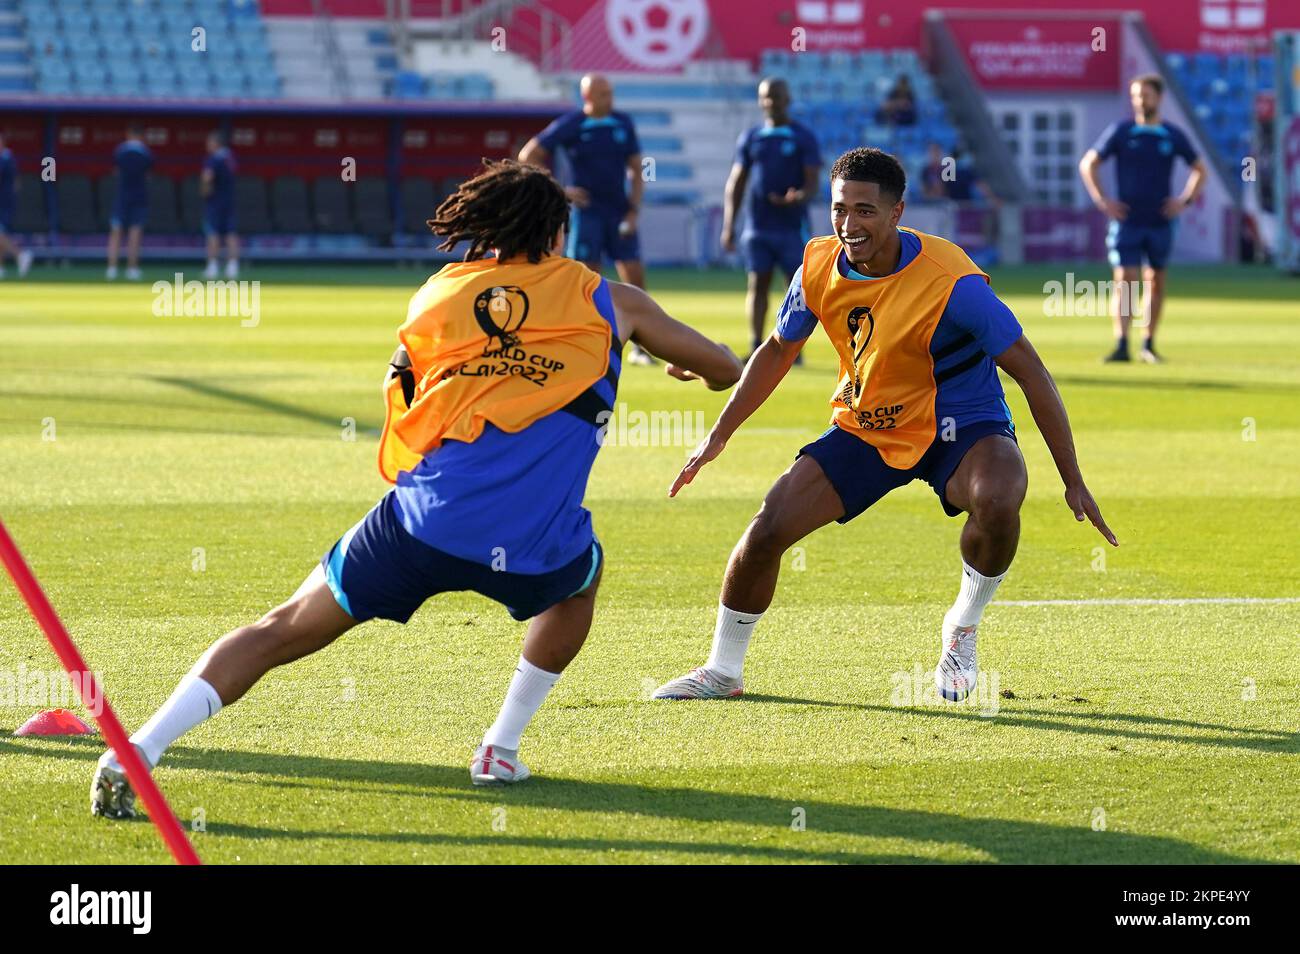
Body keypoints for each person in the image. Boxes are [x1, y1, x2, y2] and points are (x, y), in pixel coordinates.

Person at [90, 159, 741, 816]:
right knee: (582, 581)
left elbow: (408, 384)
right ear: (556, 234)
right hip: (533, 539)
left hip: (423, 520)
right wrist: (685, 364)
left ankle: (139, 748)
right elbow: (726, 368)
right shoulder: (611, 300)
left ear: (487, 228)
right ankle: (500, 748)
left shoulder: (439, 295)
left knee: (280, 628)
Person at [653, 148, 1116, 705]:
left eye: (866, 211)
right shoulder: (817, 267)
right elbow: (779, 348)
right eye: (840, 209)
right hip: (872, 423)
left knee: (999, 497)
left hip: (962, 422)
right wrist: (719, 434)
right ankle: (723, 672)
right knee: (767, 530)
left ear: (898, 211)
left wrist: (1072, 478)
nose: (850, 226)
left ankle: (963, 628)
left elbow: (1031, 372)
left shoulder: (954, 281)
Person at [518, 73, 655, 365]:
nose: (609, 98)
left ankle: (640, 349)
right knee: (583, 279)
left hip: (619, 210)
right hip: (587, 213)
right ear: (587, 97)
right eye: (603, 93)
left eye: (610, 92)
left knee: (634, 276)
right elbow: (528, 154)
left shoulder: (623, 123)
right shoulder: (572, 124)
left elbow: (636, 168)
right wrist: (559, 190)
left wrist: (634, 209)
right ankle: (577, 338)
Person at [1079, 73, 1206, 363]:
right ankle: (1122, 343)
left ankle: (1148, 344)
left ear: (1158, 98)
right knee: (1125, 279)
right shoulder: (1122, 132)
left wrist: (1184, 200)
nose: (1139, 100)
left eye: (1145, 95)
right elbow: (1088, 164)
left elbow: (1200, 169)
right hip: (1127, 220)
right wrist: (1102, 200)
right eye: (1135, 95)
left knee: (1156, 280)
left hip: (1160, 220)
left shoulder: (1171, 135)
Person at [722, 77, 821, 358]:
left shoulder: (802, 136)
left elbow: (812, 183)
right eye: (765, 96)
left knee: (798, 288)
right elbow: (736, 182)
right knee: (757, 284)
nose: (770, 102)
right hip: (758, 226)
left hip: (792, 226)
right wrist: (729, 225)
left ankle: (793, 347)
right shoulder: (751, 136)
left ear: (787, 99)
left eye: (776, 96)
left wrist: (798, 196)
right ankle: (756, 345)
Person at [106, 124, 153, 281]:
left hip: (122, 197)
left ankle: (112, 269)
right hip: (139, 197)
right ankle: (132, 269)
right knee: (135, 233)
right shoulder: (146, 153)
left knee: (116, 232)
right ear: (141, 136)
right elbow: (148, 175)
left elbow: (115, 171)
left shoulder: (120, 151)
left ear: (128, 134)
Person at [201, 130, 239, 279]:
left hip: (215, 202)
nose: (207, 145)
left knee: (213, 233)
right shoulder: (230, 157)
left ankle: (212, 266)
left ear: (216, 143)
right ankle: (232, 266)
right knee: (230, 233)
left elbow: (207, 178)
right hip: (229, 201)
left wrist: (204, 192)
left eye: (209, 142)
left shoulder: (214, 159)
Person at [0, 133, 34, 279]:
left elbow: (16, 183)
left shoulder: (7, 158)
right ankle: (1, 267)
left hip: (4, 204)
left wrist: (11, 199)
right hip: (5, 203)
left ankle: (20, 255)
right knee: (1, 234)